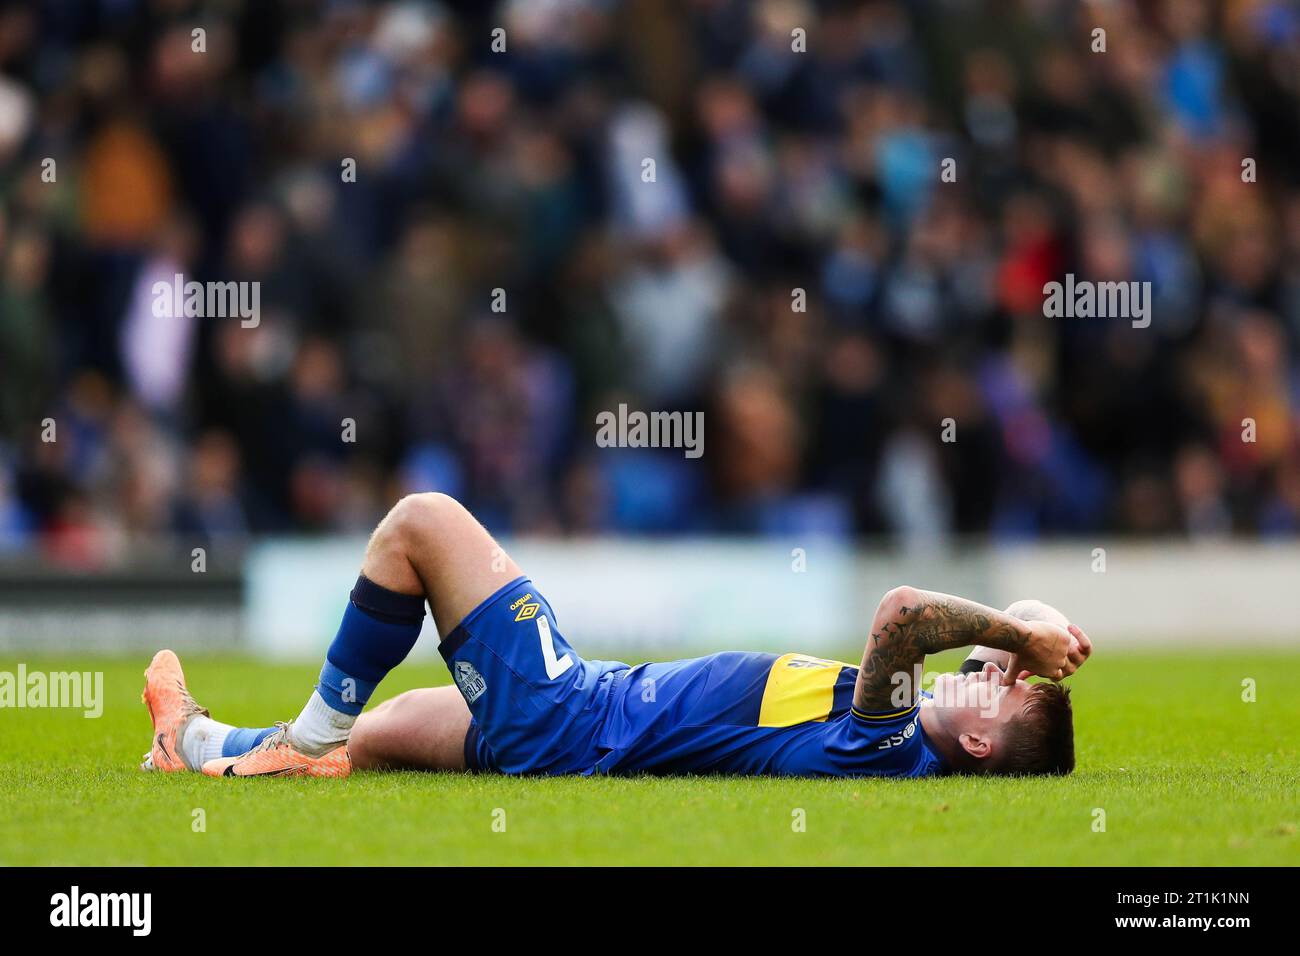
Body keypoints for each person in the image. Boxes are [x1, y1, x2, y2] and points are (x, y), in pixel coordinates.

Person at [141, 493, 1090, 780]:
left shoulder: (884, 744)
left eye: (998, 690)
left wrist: (1021, 635)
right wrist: (1035, 631)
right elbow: (981, 653)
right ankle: (193, 746)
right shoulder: (928, 730)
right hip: (592, 713)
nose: (989, 671)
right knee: (375, 741)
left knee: (421, 524)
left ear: (977, 736)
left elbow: (903, 614)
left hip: (573, 718)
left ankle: (295, 745)